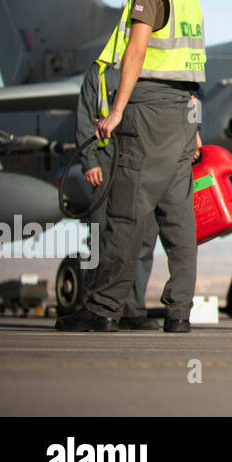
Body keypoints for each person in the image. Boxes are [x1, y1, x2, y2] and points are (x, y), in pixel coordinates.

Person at [57, 0, 205, 333]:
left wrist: (118, 109)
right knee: (178, 220)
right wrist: (192, 125)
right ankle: (178, 314)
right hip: (179, 115)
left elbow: (137, 50)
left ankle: (104, 308)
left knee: (124, 212)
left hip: (147, 112)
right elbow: (191, 72)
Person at [75, 66, 160, 329]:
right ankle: (93, 307)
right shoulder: (99, 71)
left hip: (141, 158)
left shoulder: (154, 66)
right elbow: (84, 117)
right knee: (102, 234)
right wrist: (89, 161)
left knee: (144, 234)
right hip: (106, 158)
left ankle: (132, 310)